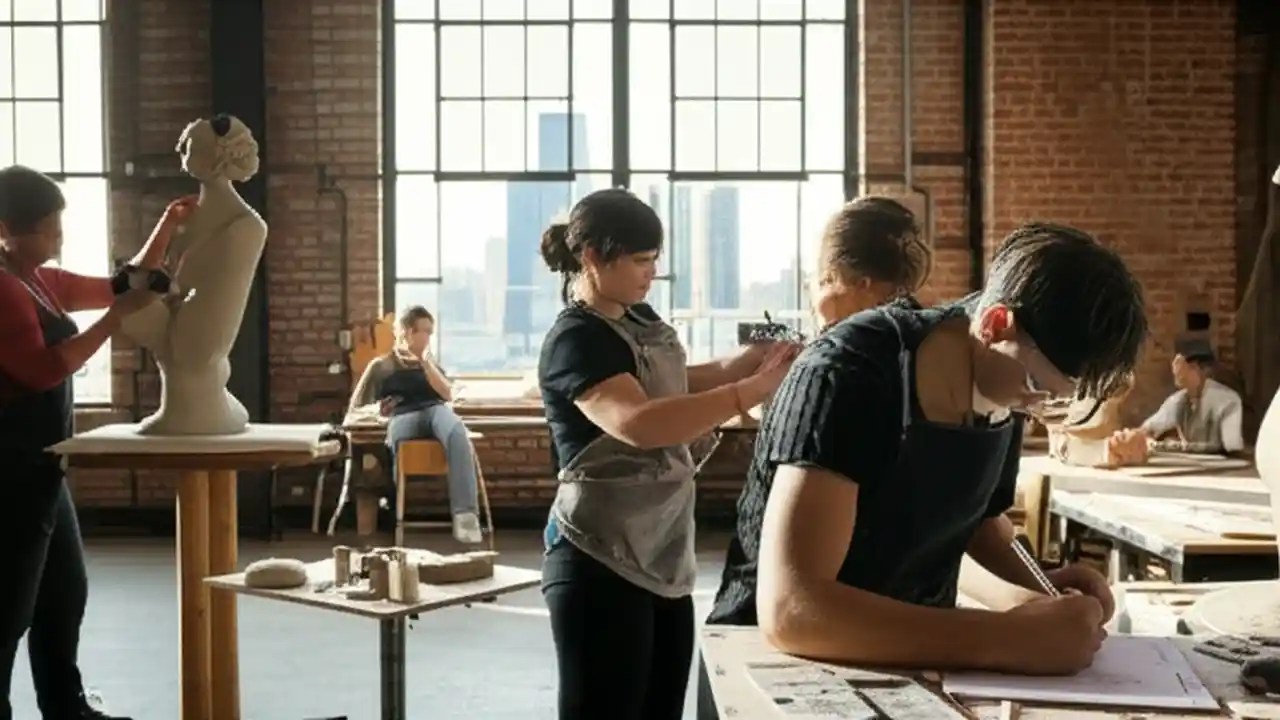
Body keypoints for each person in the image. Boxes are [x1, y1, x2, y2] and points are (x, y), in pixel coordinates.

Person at [705, 221, 1147, 680]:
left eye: (1058, 399)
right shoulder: (850, 374)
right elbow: (793, 610)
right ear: (996, 324)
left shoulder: (1004, 386)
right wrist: (1008, 638)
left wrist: (1037, 590)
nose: (1038, 407)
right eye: (1039, 386)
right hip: (781, 670)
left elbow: (971, 521)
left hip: (910, 661)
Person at [537, 188, 798, 720]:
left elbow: (675, 384)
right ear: (592, 257)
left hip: (662, 550)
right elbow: (639, 422)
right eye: (639, 260)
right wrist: (750, 392)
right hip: (598, 554)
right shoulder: (576, 338)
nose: (650, 272)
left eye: (654, 259)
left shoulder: (638, 318)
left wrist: (746, 363)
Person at [0, 164, 196, 720]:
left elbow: (124, 282)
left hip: (45, 464)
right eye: (47, 228)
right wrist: (117, 319)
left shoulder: (39, 278)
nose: (58, 237)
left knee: (65, 591)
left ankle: (66, 708)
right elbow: (44, 370)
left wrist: (167, 224)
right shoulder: (3, 288)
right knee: (9, 608)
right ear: (7, 230)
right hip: (9, 468)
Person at [348, 305, 484, 544]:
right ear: (409, 332)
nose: (428, 338)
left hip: (434, 411)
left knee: (455, 429)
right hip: (402, 416)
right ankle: (393, 503)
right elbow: (358, 407)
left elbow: (448, 394)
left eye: (431, 332)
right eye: (425, 331)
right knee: (397, 437)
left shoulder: (430, 364)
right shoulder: (382, 366)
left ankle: (465, 515)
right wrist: (381, 409)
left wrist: (425, 364)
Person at [1108, 338, 1244, 458]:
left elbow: (1231, 447)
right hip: (1192, 467)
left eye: (1179, 363)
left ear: (1195, 368)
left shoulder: (1228, 401)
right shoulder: (1178, 400)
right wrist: (1130, 439)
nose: (1174, 369)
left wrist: (1174, 447)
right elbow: (1149, 428)